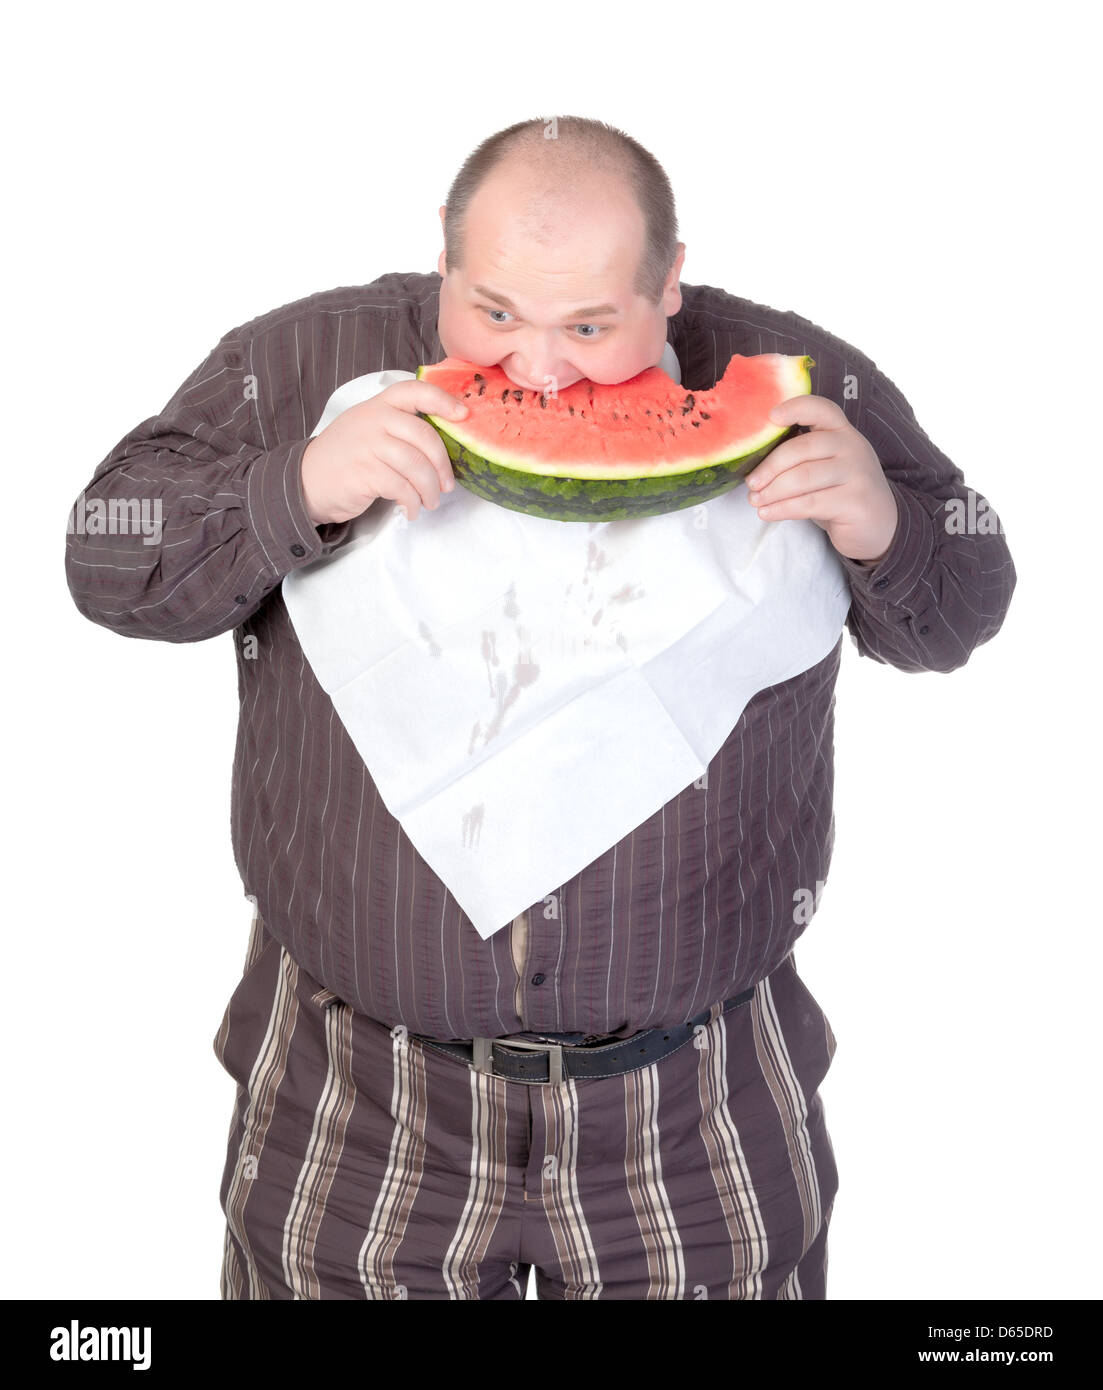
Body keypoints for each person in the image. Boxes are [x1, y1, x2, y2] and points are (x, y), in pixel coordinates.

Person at [64, 114, 1017, 1300]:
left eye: (589, 324)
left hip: (700, 1099)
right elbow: (107, 562)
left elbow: (964, 607)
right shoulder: (299, 361)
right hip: (354, 1091)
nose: (540, 372)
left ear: (668, 284)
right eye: (494, 312)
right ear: (444, 261)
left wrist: (885, 525)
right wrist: (297, 484)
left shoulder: (796, 378)